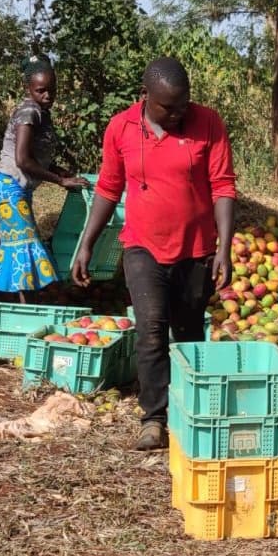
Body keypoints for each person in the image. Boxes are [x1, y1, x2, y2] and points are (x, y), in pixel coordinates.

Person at [71, 57, 236, 451]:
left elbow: (223, 187)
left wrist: (224, 249)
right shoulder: (121, 128)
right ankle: (154, 417)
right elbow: (109, 188)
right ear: (145, 96)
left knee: (190, 332)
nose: (180, 114)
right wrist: (86, 243)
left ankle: (193, 409)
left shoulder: (208, 122)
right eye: (169, 107)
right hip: (142, 246)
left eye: (184, 105)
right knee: (150, 330)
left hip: (195, 251)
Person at [0, 56, 90, 302]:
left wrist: (59, 170)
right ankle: (25, 310)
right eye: (41, 90)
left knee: (20, 247)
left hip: (16, 190)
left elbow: (34, 156)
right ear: (28, 88)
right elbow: (22, 160)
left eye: (52, 90)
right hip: (8, 187)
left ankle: (15, 305)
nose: (48, 95)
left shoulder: (42, 113)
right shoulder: (29, 111)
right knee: (24, 247)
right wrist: (59, 181)